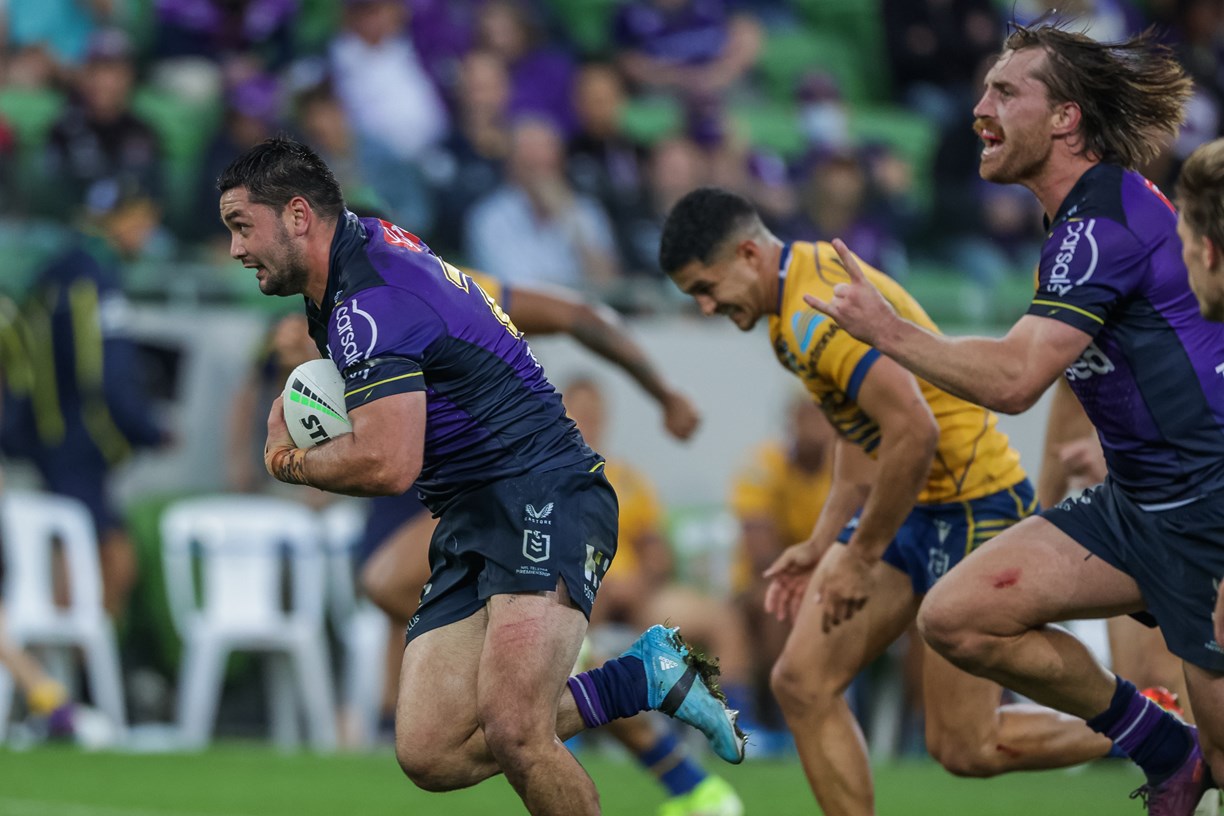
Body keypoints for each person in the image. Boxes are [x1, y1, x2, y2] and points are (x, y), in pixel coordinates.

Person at [216, 136, 744, 815]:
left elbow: (387, 463)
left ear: (297, 216)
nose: (234, 250)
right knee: (431, 752)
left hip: (540, 489)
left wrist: (287, 459)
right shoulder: (359, 272)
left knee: (517, 729)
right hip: (470, 512)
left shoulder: (372, 300)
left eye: (240, 227)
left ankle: (653, 738)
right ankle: (641, 677)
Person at [803, 23, 1218, 814]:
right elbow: (1072, 367)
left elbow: (1020, 377)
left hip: (1208, 506)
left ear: (1065, 118)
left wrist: (889, 332)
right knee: (959, 617)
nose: (979, 108)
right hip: (1140, 509)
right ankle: (1161, 742)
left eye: (1004, 91)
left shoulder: (1099, 228)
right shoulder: (1078, 222)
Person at [658, 186, 1128, 816]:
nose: (707, 306)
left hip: (973, 508)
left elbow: (914, 431)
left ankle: (1150, 730)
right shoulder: (785, 313)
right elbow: (863, 435)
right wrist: (825, 543)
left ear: (747, 252)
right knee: (801, 682)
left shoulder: (812, 309)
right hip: (914, 505)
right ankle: (1151, 725)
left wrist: (859, 555)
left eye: (705, 287)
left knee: (966, 746)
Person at [0, 185, 169, 621]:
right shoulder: (94, 277)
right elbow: (106, 374)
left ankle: (58, 679)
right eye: (144, 220)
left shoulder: (53, 270)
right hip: (78, 443)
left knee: (72, 562)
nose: (148, 233)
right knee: (104, 566)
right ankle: (62, 681)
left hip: (47, 440)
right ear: (121, 218)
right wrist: (147, 429)